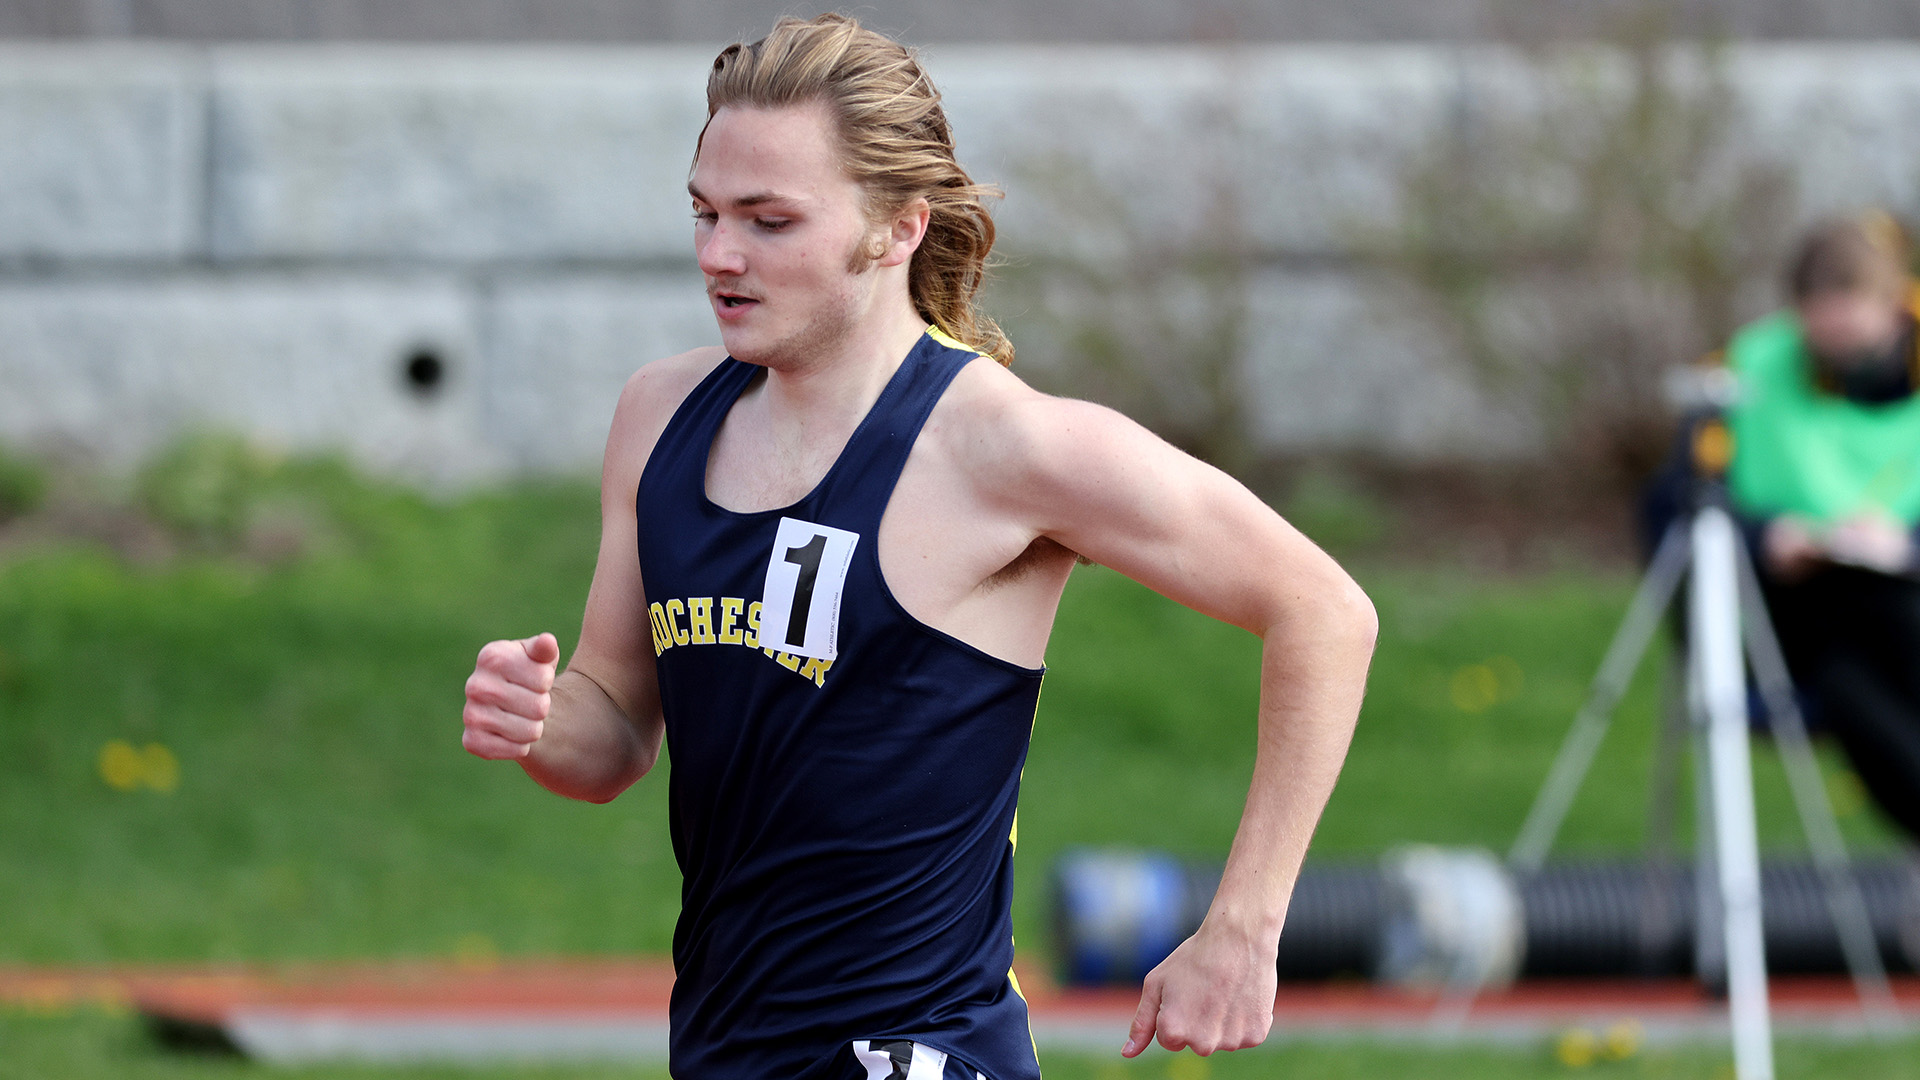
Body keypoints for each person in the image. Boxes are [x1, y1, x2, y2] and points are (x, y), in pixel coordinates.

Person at [459, 14, 1376, 1079]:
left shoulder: (1004, 446)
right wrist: (536, 718)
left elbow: (1321, 608)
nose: (720, 255)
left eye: (770, 220)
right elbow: (613, 730)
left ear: (898, 229)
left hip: (920, 1053)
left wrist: (1245, 928)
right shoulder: (659, 415)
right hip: (722, 1050)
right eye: (705, 213)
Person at [1722, 212, 1920, 840]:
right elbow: (1678, 505)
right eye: (1819, 320)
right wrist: (1766, 540)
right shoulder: (1757, 368)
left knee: (1872, 656)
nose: (1833, 340)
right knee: (1846, 676)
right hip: (1796, 609)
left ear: (1892, 304)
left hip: (1892, 607)